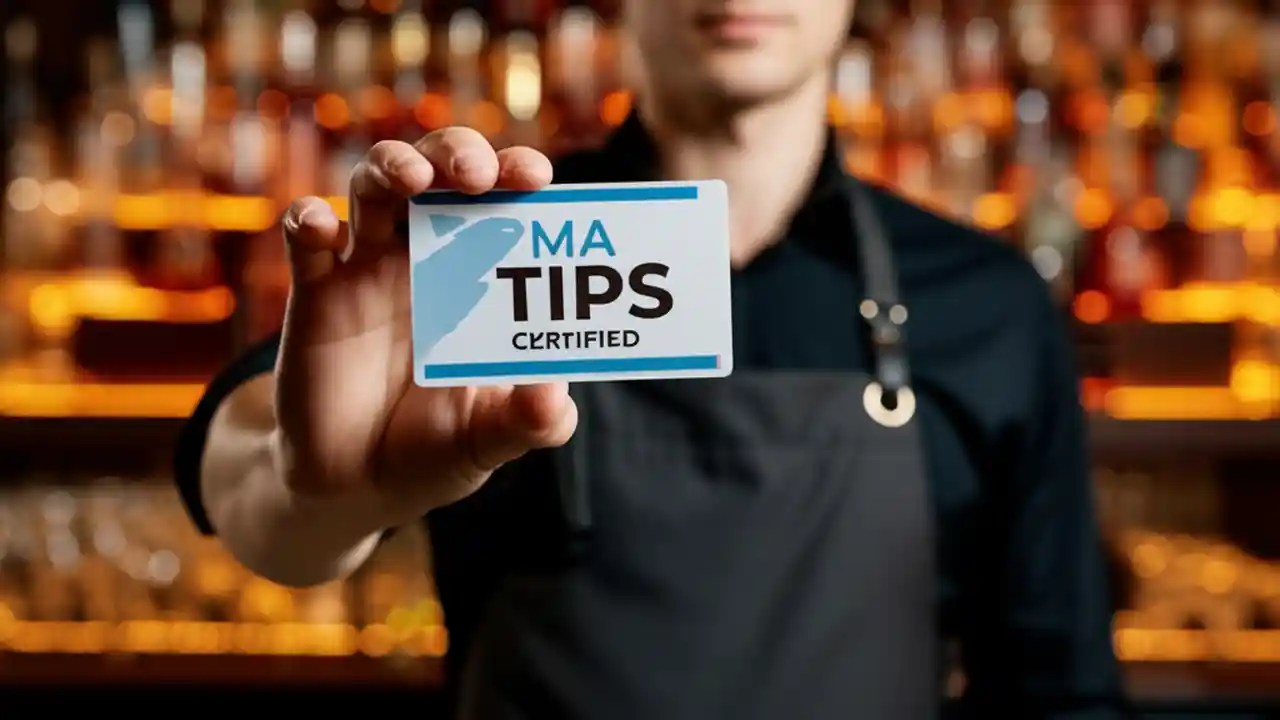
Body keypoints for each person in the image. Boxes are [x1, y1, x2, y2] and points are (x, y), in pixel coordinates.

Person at [173, 0, 1128, 717]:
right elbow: (257, 474)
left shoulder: (989, 305)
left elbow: (1057, 689)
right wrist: (326, 498)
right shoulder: (483, 248)